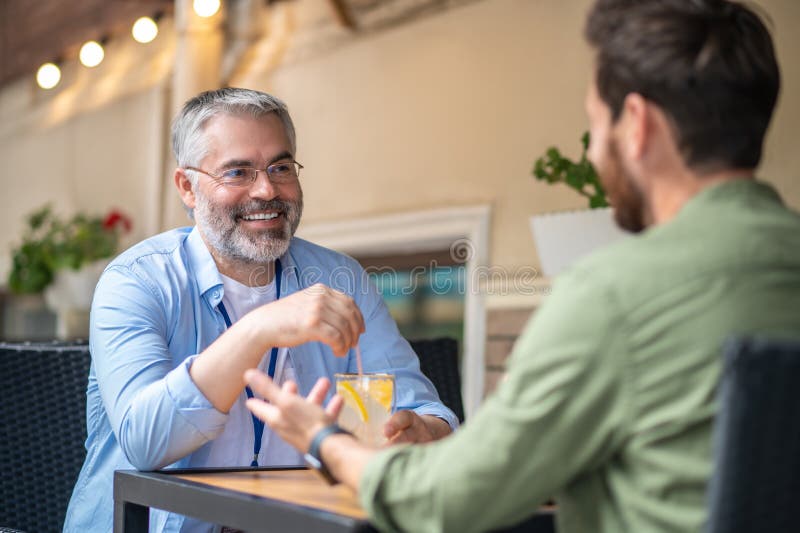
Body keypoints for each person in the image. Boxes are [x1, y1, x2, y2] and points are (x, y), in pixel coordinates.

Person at [244, 1, 800, 531]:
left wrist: (323, 441)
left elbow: (453, 500)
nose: (594, 153)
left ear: (637, 124)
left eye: (596, 125)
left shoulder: (613, 295)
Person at [63, 88, 457, 533]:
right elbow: (147, 441)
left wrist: (425, 431)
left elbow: (419, 406)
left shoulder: (340, 277)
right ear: (188, 188)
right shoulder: (136, 280)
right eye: (238, 172)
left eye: (281, 167)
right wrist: (258, 328)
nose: (267, 189)